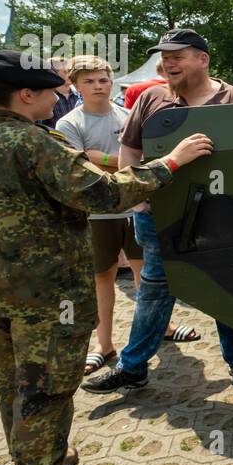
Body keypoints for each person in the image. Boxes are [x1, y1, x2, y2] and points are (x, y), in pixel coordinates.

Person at [0, 49, 214, 465]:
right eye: (49, 90)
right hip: (43, 297)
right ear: (26, 94)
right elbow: (105, 193)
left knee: (12, 388)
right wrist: (172, 161)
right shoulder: (31, 143)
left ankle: (37, 464)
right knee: (45, 391)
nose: (56, 96)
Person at [84, 28, 233, 395]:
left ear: (203, 58)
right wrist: (138, 199)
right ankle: (133, 368)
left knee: (227, 288)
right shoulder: (151, 98)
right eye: (165, 57)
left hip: (221, 216)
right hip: (160, 217)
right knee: (153, 292)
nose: (168, 62)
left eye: (177, 55)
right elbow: (129, 151)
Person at [55, 55, 143, 374]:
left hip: (135, 208)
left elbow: (141, 161)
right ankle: (103, 345)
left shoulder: (130, 116)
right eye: (89, 81)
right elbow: (80, 168)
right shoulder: (69, 123)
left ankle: (161, 327)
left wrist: (101, 156)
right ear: (75, 85)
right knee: (102, 278)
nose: (98, 86)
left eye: (103, 80)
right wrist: (118, 159)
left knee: (144, 273)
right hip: (96, 214)